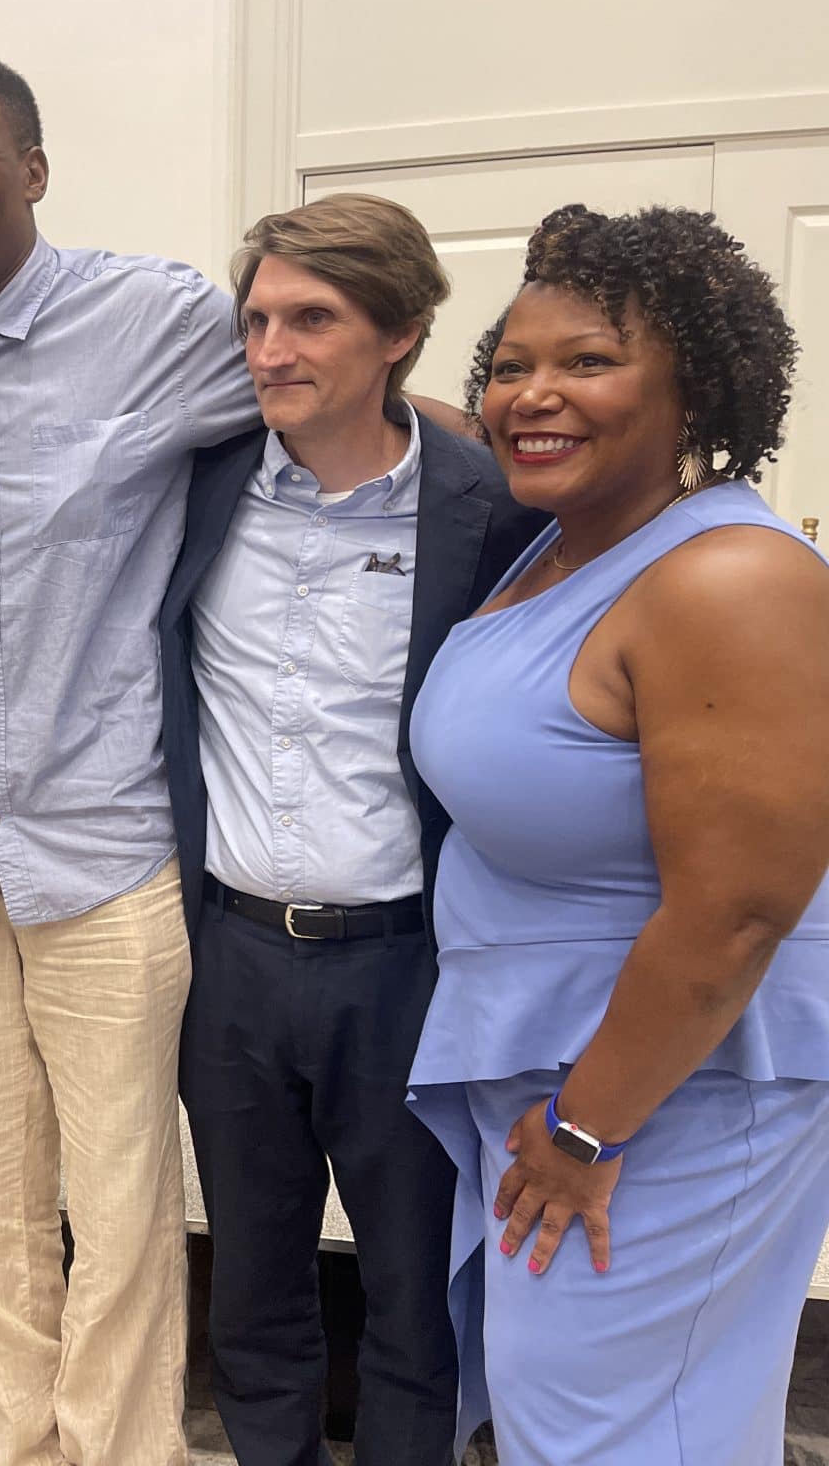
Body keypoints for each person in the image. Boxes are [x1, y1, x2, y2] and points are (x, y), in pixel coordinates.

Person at [0, 52, 260, 1466]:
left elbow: (332, 402)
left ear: (30, 167)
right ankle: (14, 1448)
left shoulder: (162, 323)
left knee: (127, 1202)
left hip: (103, 851)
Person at [405, 204, 829, 1464]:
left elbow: (736, 910)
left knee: (624, 1432)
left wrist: (591, 1125)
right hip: (569, 1073)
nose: (534, 395)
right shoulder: (565, 542)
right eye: (509, 367)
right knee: (576, 1415)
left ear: (692, 387)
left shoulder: (728, 581)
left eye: (587, 362)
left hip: (669, 1093)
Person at [159, 194, 545, 1466]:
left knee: (408, 1300)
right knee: (253, 1292)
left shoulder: (489, 513)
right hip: (228, 961)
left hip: (406, 967)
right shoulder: (198, 488)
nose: (267, 347)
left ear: (402, 333)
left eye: (309, 318)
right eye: (256, 317)